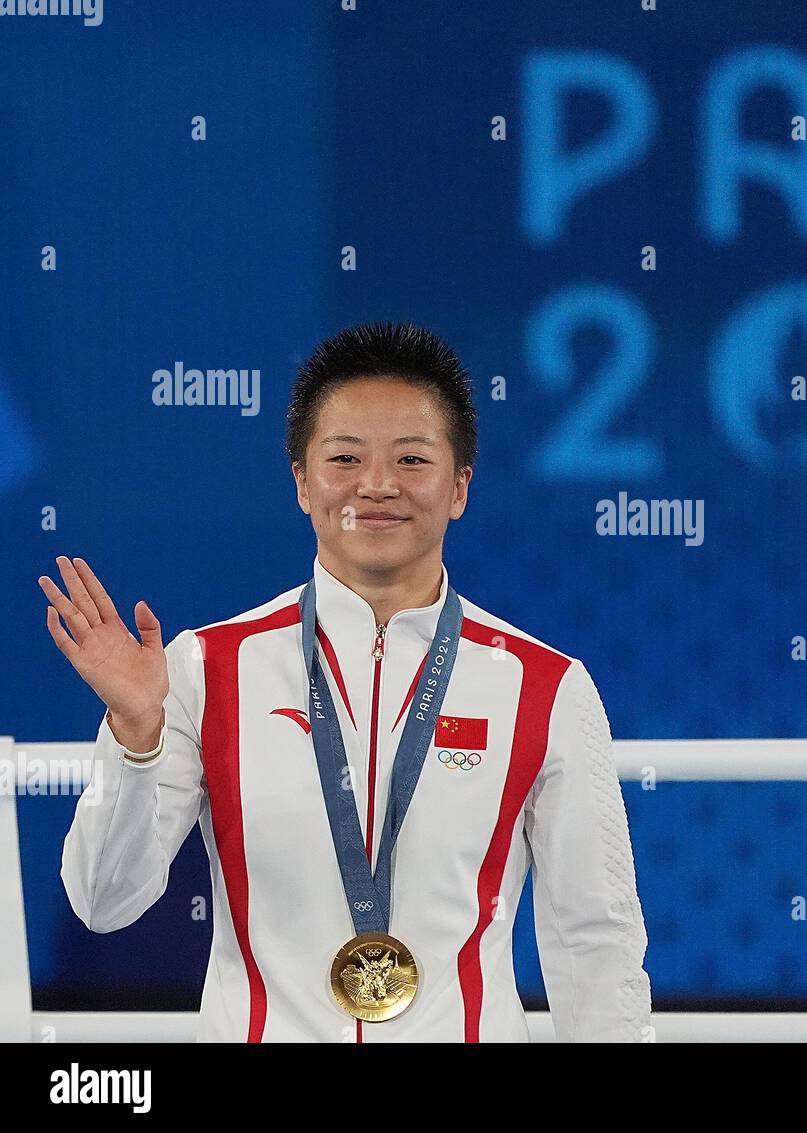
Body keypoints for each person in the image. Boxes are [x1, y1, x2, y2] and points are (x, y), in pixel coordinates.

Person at [41, 322, 653, 1043]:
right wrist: (135, 738)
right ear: (302, 481)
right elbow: (102, 899)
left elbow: (596, 938)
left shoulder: (546, 686)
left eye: (412, 458)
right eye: (345, 457)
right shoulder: (203, 670)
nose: (378, 485)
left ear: (460, 487)